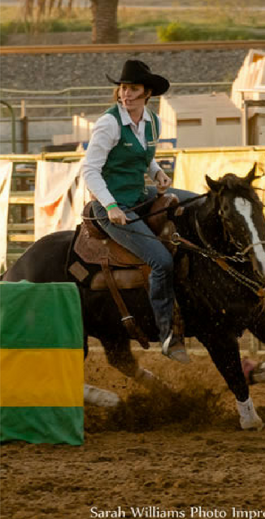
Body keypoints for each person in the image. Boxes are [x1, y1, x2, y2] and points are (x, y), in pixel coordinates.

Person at [82, 59, 194, 364]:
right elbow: (90, 171)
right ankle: (168, 332)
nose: (125, 94)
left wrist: (157, 173)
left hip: (139, 195)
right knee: (160, 260)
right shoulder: (108, 123)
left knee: (195, 204)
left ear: (147, 93)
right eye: (123, 87)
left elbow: (143, 157)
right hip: (111, 206)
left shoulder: (152, 121)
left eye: (133, 89)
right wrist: (111, 206)